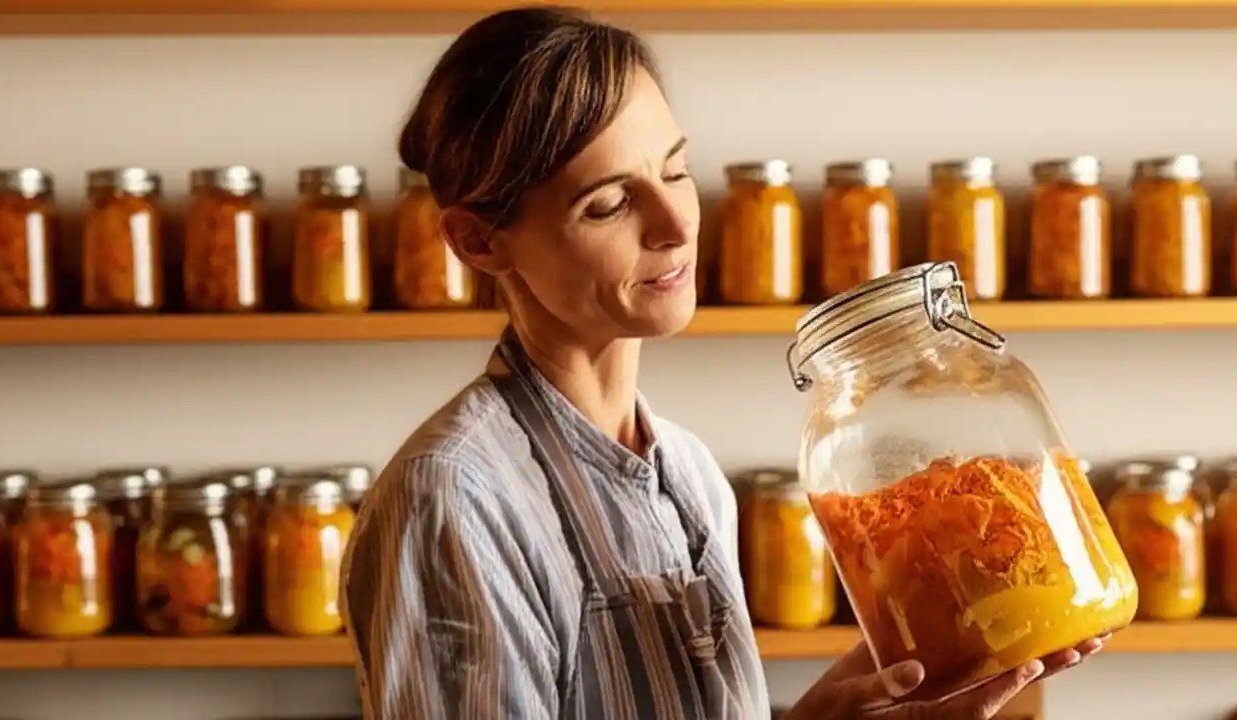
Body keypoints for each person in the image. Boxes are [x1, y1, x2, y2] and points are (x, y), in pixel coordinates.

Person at [340, 6, 1105, 719]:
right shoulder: (453, 499)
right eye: (608, 204)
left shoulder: (690, 470)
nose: (676, 224)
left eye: (674, 171)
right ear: (478, 241)